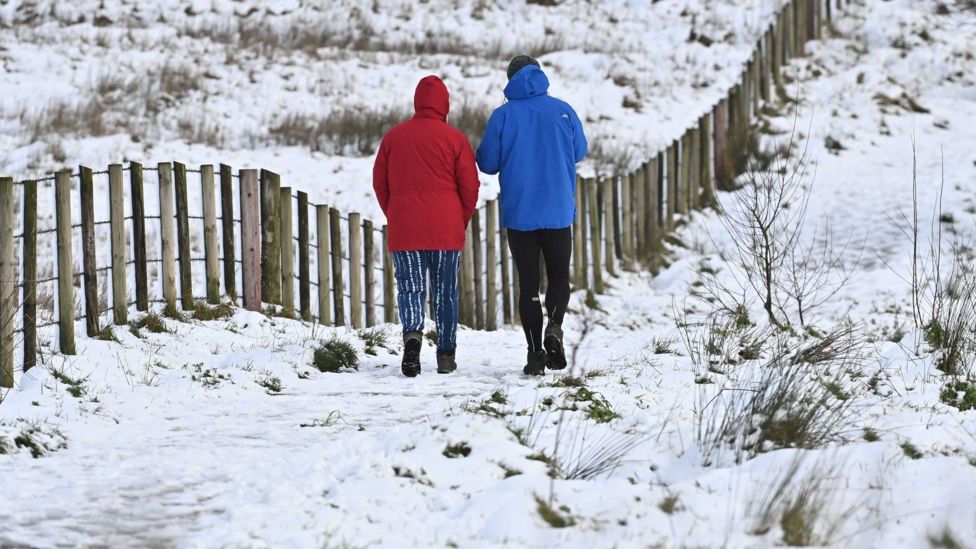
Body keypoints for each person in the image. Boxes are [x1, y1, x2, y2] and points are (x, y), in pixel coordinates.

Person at [476, 55, 588, 376]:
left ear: (510, 79)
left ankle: (535, 353)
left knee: (528, 286)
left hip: (520, 214)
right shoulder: (563, 110)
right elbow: (579, 151)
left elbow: (487, 163)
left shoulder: (503, 116)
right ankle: (554, 326)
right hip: (557, 211)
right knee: (559, 277)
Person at [373, 75, 480, 377]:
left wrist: (394, 213)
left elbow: (380, 182)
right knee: (445, 292)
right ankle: (446, 355)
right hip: (446, 229)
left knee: (411, 289)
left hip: (405, 229)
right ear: (444, 104)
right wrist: (460, 219)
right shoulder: (455, 138)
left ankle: (412, 342)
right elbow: (470, 186)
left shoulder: (393, 137)